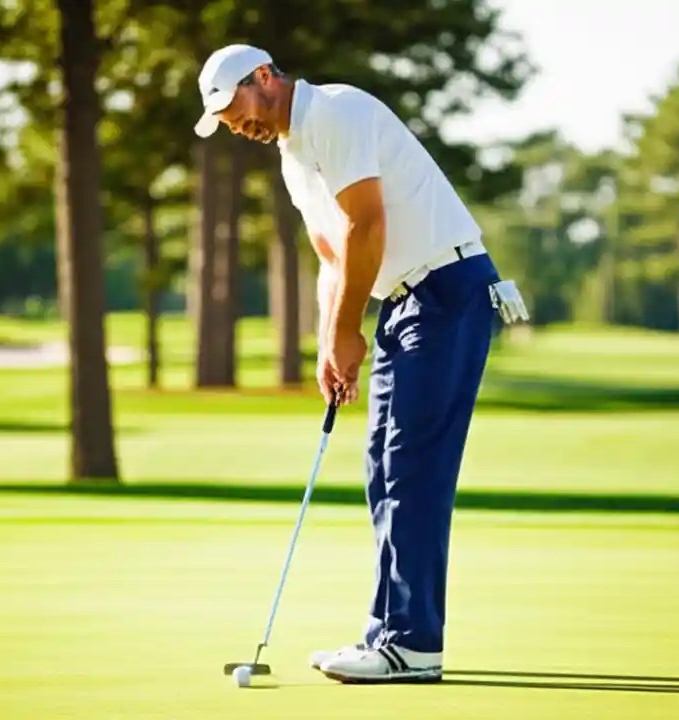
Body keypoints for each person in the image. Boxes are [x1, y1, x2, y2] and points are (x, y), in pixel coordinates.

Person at [193, 44, 530, 684]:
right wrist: (331, 341)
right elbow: (332, 256)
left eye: (235, 108)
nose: (235, 125)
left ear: (263, 77)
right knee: (382, 468)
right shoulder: (293, 156)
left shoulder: (337, 112)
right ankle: (387, 633)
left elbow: (365, 225)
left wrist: (350, 328)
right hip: (404, 303)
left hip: (445, 289)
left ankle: (413, 645)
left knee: (411, 469)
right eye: (226, 120)